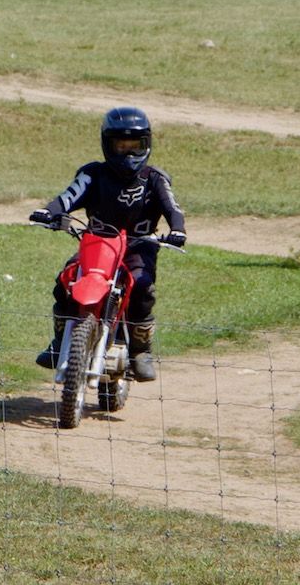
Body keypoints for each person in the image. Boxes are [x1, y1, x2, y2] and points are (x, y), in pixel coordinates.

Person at [28, 107, 187, 381]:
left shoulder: (155, 179)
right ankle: (59, 342)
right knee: (65, 280)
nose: (128, 153)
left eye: (134, 146)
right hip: (97, 244)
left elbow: (173, 209)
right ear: (107, 144)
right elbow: (68, 197)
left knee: (142, 285)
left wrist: (178, 230)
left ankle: (140, 351)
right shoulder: (93, 174)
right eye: (120, 145)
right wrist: (49, 211)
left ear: (146, 145)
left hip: (139, 246)